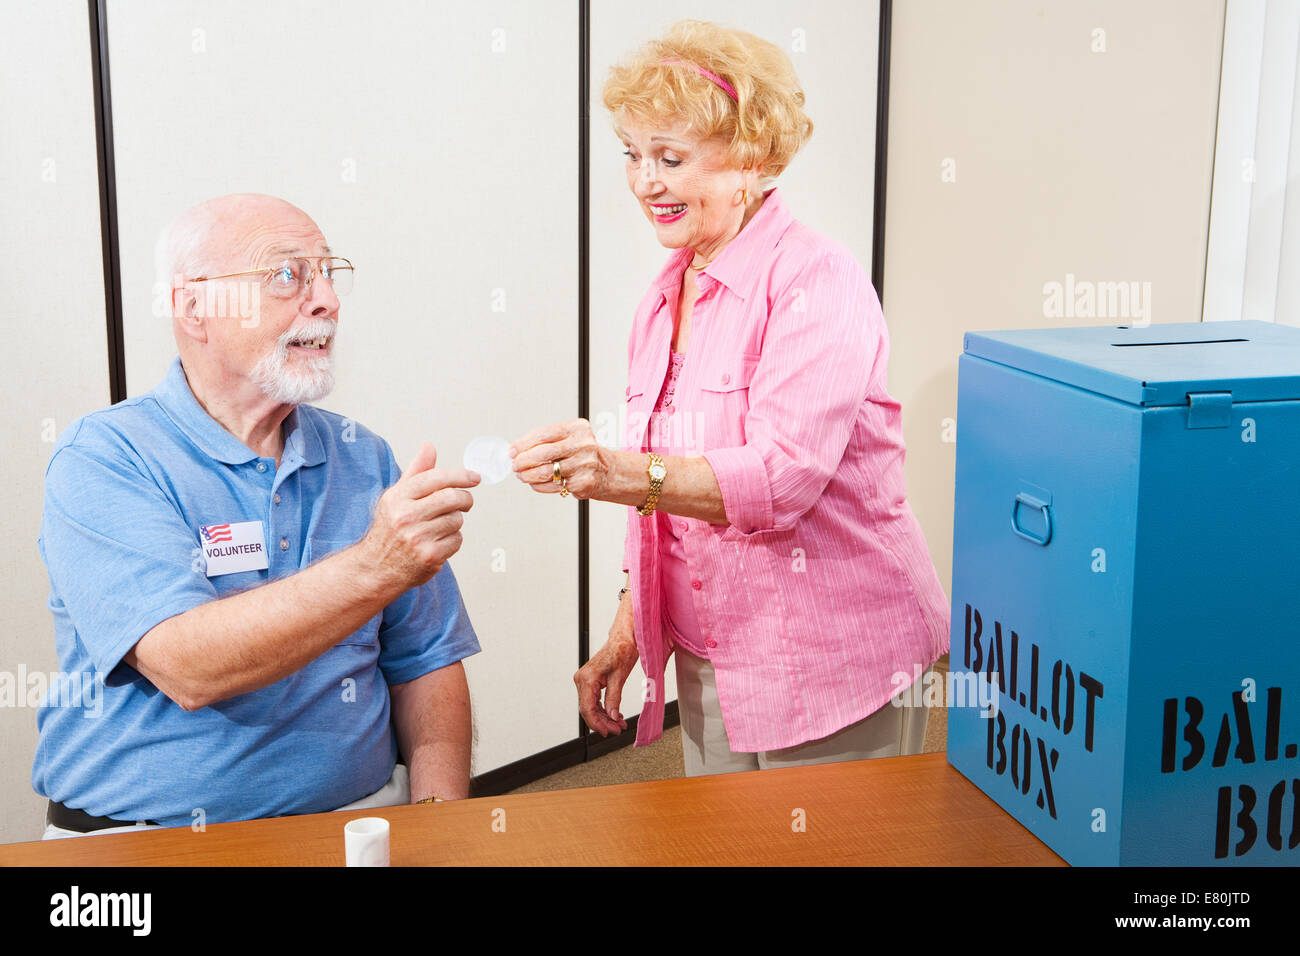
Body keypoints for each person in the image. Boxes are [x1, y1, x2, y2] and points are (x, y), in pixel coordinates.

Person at [510, 20, 950, 775]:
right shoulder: (665, 295)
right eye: (633, 154)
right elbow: (668, 498)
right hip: (713, 648)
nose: (645, 181)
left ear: (751, 159)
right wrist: (630, 626)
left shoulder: (817, 279)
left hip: (832, 650)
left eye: (671, 158)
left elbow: (781, 479)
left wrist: (613, 473)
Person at [33, 194, 481, 837]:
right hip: (140, 839)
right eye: (286, 276)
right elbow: (190, 667)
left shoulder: (363, 455)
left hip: (359, 822)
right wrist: (375, 566)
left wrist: (440, 825)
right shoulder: (104, 458)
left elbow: (427, 662)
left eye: (329, 272)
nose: (326, 298)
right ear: (195, 308)